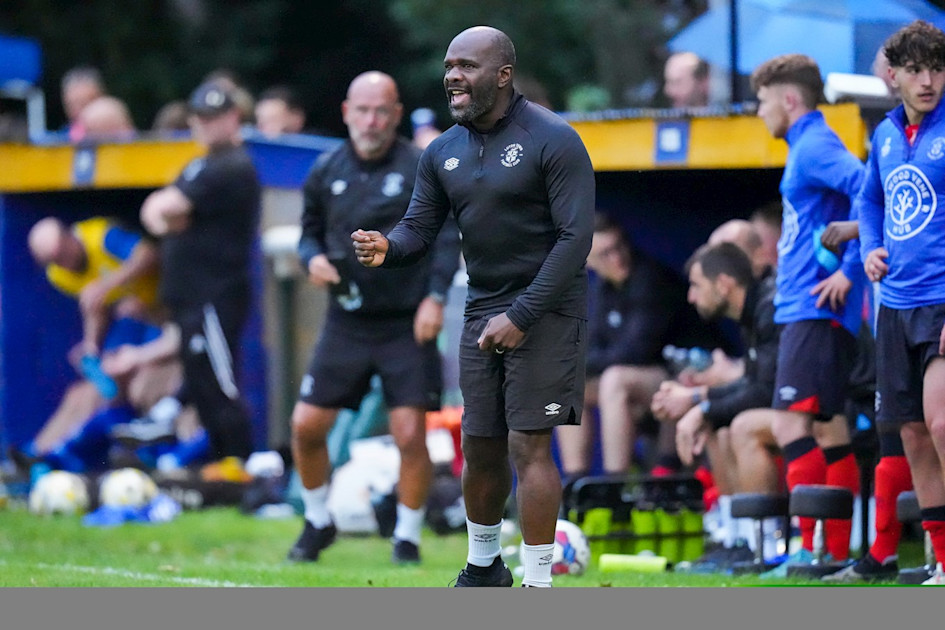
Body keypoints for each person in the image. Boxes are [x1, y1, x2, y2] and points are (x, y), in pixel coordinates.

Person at [352, 25, 595, 588]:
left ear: (503, 75)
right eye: (448, 66)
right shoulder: (442, 151)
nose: (453, 77)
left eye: (467, 66)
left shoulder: (554, 140)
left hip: (548, 309)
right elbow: (419, 228)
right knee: (479, 444)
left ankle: (538, 582)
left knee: (528, 446)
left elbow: (574, 242)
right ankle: (484, 566)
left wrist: (523, 316)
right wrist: (388, 248)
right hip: (483, 310)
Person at [285, 70, 461, 566]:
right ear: (346, 112)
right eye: (363, 110)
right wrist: (311, 259)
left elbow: (447, 238)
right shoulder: (325, 169)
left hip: (406, 320)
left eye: (382, 110)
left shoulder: (421, 167)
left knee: (409, 433)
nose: (372, 120)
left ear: (397, 115)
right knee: (306, 426)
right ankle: (318, 521)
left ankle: (406, 536)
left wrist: (434, 299)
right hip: (347, 319)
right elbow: (307, 233)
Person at [748, 53, 868, 572]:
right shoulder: (806, 145)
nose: (759, 111)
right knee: (828, 429)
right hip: (809, 308)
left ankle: (809, 546)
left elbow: (872, 191)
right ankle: (833, 552)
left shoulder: (817, 144)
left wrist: (851, 268)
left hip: (816, 308)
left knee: (788, 424)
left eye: (761, 100)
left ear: (788, 99)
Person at [856, 20, 945, 586]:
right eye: (916, 70)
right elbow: (869, 200)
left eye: (937, 69)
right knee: (911, 431)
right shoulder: (885, 134)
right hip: (895, 305)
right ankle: (941, 559)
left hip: (939, 302)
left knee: (941, 422)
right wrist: (870, 247)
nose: (929, 80)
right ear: (894, 76)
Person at [137, 79, 260, 469]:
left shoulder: (232, 166)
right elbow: (155, 210)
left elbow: (167, 208)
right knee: (202, 385)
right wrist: (168, 214)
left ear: (233, 118)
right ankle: (222, 467)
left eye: (215, 117)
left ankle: (242, 468)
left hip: (216, 295)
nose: (206, 126)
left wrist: (169, 214)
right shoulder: (199, 164)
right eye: (200, 118)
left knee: (220, 384)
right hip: (191, 298)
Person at [650, 241, 780, 571]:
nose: (691, 297)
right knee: (721, 428)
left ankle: (763, 543)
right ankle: (736, 540)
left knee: (740, 425)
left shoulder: (769, 306)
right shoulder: (751, 313)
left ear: (723, 283)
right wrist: (700, 404)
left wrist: (698, 403)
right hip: (789, 406)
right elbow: (754, 383)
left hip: (841, 408)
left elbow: (765, 390)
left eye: (696, 286)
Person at [553, 213, 702, 479]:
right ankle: (576, 484)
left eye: (619, 247)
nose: (617, 258)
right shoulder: (600, 289)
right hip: (643, 379)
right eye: (605, 254)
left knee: (615, 379)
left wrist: (577, 361)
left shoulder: (650, 279)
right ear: (588, 261)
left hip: (681, 376)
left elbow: (638, 353)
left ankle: (615, 484)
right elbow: (591, 344)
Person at [27, 215, 161, 399]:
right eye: (56, 260)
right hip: (134, 319)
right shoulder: (58, 275)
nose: (64, 263)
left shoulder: (100, 236)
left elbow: (149, 254)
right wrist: (91, 345)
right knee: (109, 365)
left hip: (166, 304)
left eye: (63, 253)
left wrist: (109, 284)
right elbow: (96, 308)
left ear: (70, 236)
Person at [60, 65, 106, 142]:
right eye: (72, 104)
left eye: (84, 104)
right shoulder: (58, 140)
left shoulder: (124, 138)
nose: (77, 110)